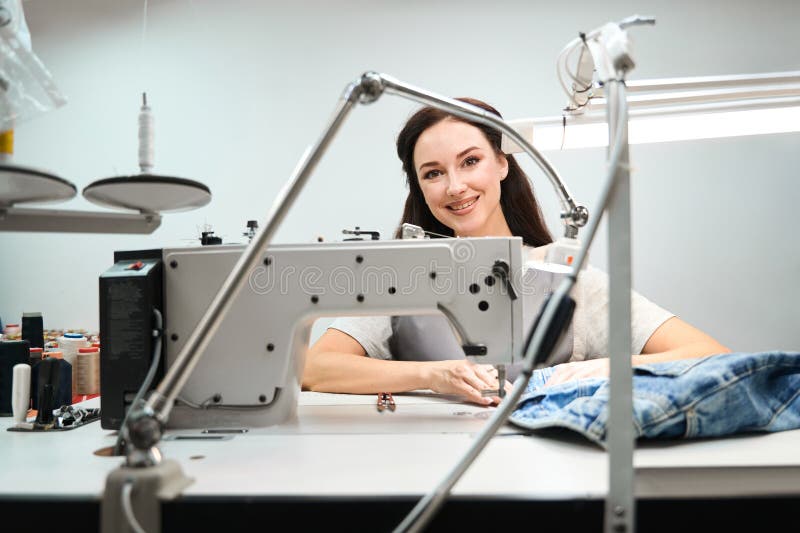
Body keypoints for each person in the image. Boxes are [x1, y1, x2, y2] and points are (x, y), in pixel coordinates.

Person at [302, 97, 730, 405]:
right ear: (420, 187)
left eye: (470, 161)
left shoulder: (568, 282)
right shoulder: (400, 277)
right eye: (433, 173)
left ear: (502, 163)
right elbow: (311, 368)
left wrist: (616, 366)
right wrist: (434, 376)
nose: (454, 186)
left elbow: (710, 353)